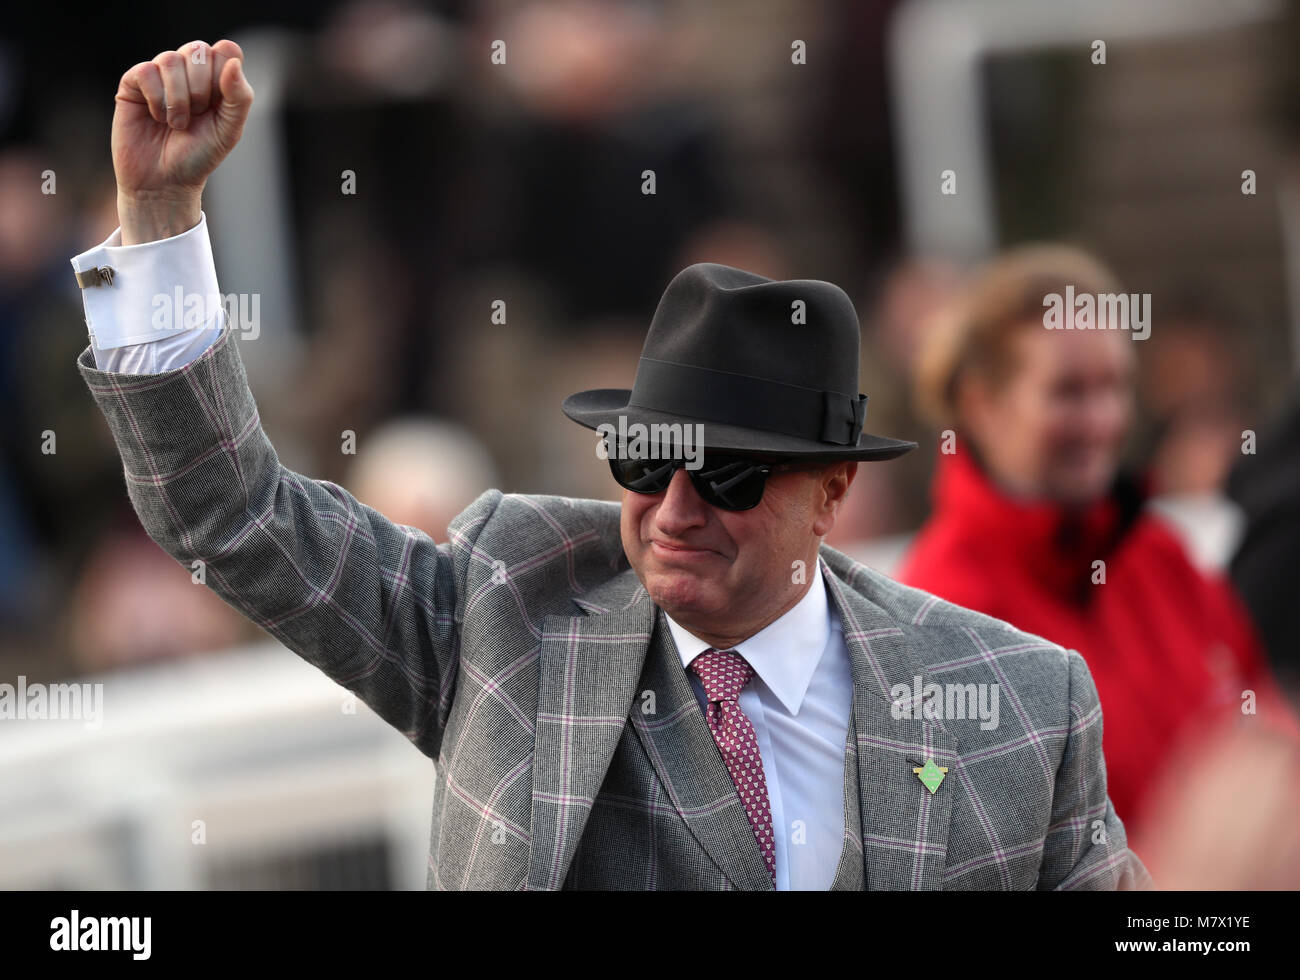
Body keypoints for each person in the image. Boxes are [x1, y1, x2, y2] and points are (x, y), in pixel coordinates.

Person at [71, 40, 1149, 890]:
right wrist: (160, 222)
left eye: (729, 475)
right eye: (644, 460)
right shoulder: (506, 612)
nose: (674, 507)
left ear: (833, 492)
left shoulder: (1018, 698)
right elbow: (229, 513)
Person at [896, 244, 1298, 852]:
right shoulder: (941, 614)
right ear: (982, 404)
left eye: (1115, 386)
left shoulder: (1162, 558)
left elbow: (1270, 738)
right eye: (1069, 392)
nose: (1104, 419)